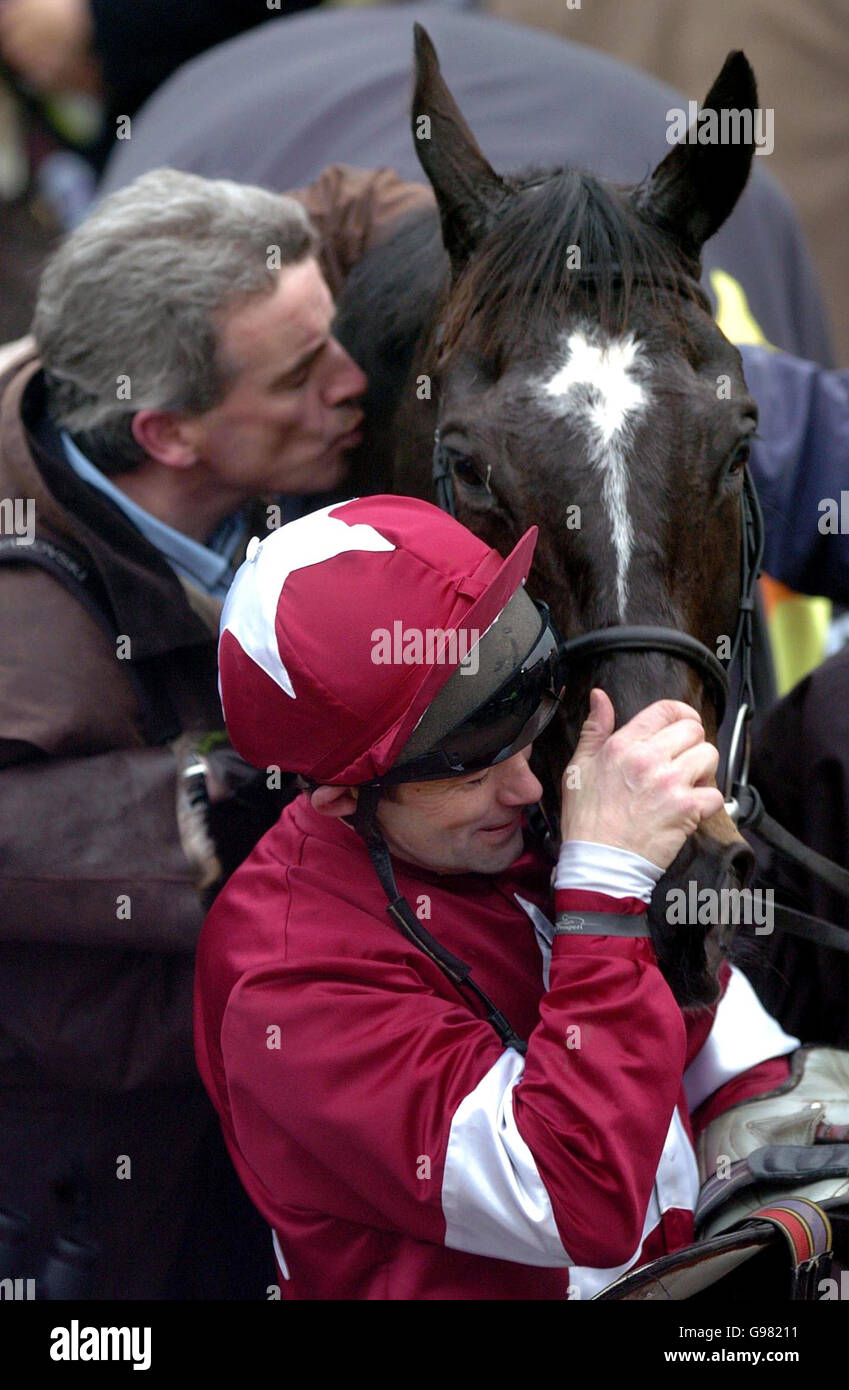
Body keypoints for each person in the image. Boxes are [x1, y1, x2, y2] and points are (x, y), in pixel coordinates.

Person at [195, 493, 803, 1300]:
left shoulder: (479, 836)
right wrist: (603, 888)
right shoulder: (285, 986)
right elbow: (570, 1200)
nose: (525, 787)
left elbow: (698, 1016)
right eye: (474, 773)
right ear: (345, 799)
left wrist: (777, 1128)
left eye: (524, 740)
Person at [0, 163, 427, 1297]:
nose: (356, 385)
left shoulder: (166, 409)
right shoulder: (37, 662)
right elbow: (77, 1018)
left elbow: (346, 207)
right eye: (303, 372)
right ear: (170, 433)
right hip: (109, 1232)